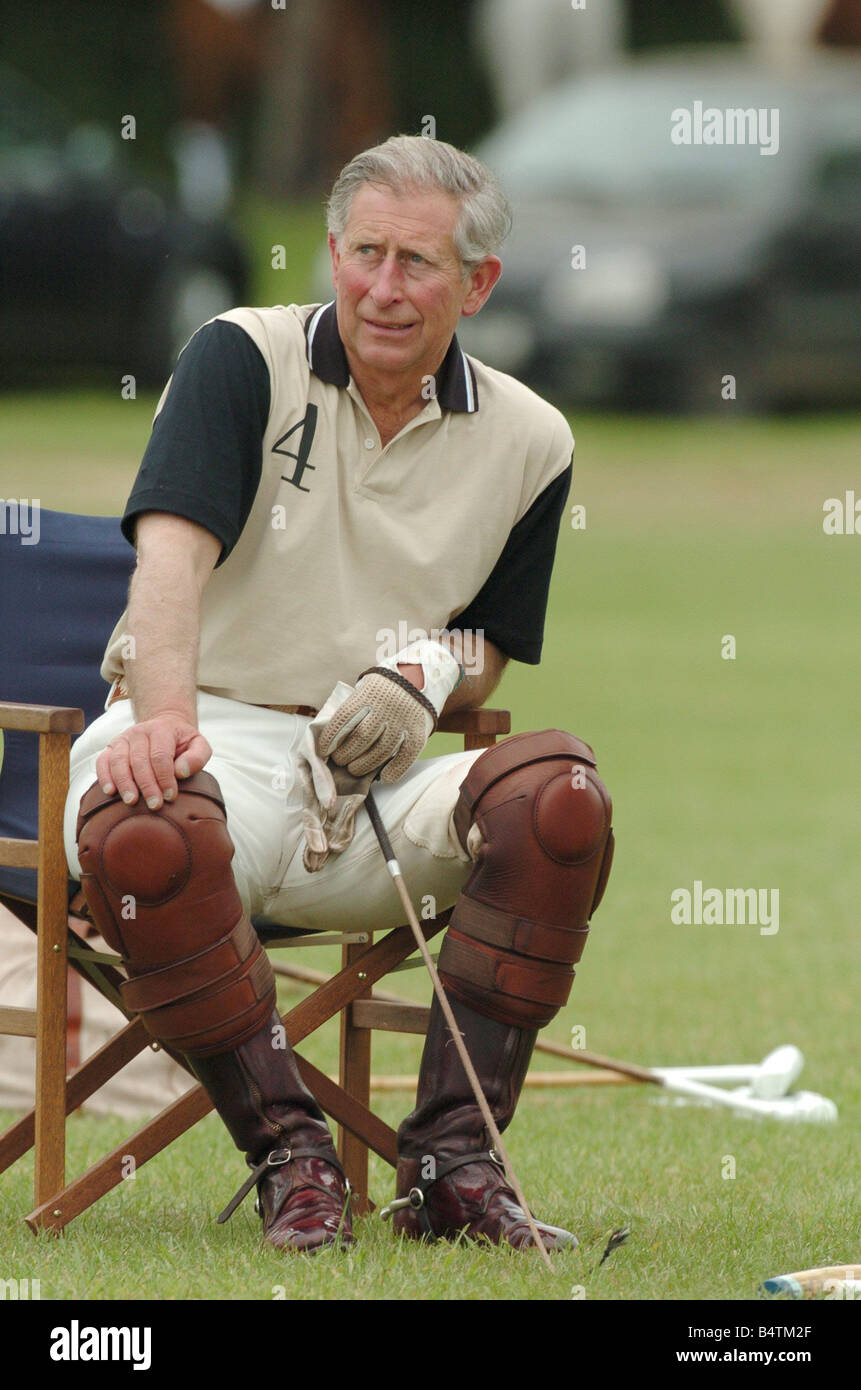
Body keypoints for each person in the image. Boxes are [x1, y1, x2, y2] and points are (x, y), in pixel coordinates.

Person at [63, 135, 614, 1255]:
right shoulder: (239, 357)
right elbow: (171, 562)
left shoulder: (533, 439)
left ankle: (455, 1170)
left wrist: (427, 674)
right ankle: (293, 1160)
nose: (384, 288)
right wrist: (161, 727)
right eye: (365, 252)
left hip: (373, 786)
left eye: (419, 262)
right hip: (206, 746)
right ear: (331, 250)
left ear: (478, 283)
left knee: (561, 803)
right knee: (149, 835)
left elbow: (493, 646)